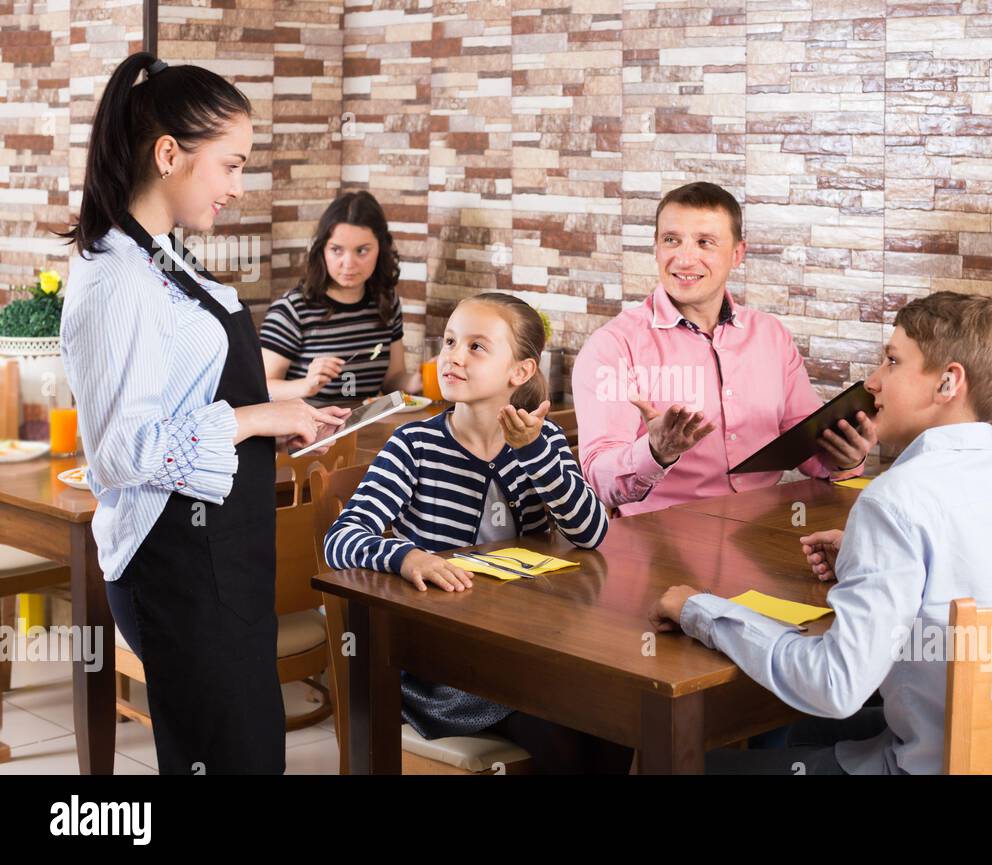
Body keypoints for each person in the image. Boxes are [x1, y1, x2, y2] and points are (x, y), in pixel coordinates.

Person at [59, 53, 348, 774]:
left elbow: (190, 385)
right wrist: (256, 422)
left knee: (249, 755)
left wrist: (291, 404)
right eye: (230, 165)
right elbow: (121, 452)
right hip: (176, 563)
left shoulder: (160, 257)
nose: (236, 187)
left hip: (221, 555)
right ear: (168, 154)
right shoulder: (115, 279)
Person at [651, 292, 992, 774]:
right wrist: (865, 558)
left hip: (939, 763)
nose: (872, 382)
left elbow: (836, 685)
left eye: (892, 361)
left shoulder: (894, 498)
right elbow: (975, 571)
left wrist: (699, 610)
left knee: (676, 762)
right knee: (790, 731)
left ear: (948, 382)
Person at [324, 292, 629, 773]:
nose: (453, 356)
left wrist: (533, 454)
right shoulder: (414, 445)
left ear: (520, 372)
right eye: (450, 342)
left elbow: (591, 532)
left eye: (476, 347)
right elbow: (341, 539)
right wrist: (407, 557)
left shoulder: (543, 440)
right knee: (565, 736)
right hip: (441, 670)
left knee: (619, 722)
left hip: (525, 645)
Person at [571, 181, 872, 516]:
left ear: (737, 254)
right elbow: (597, 478)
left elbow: (809, 450)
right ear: (655, 247)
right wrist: (655, 452)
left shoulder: (771, 336)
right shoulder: (613, 347)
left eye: (705, 243)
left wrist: (846, 456)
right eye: (671, 240)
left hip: (764, 536)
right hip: (661, 543)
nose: (685, 259)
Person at [260, 191, 422, 403]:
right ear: (322, 250)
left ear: (380, 249)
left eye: (362, 251)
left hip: (367, 431)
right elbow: (262, 388)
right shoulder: (292, 310)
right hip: (308, 433)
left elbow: (392, 380)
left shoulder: (386, 302)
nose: (348, 263)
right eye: (336, 250)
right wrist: (306, 385)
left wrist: (420, 381)